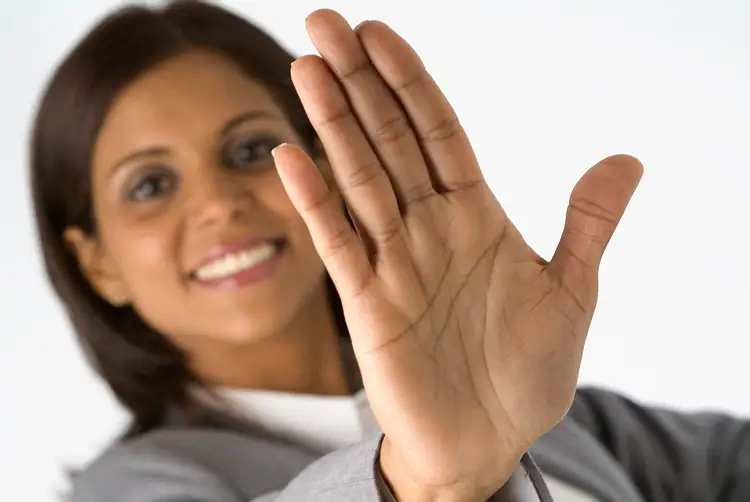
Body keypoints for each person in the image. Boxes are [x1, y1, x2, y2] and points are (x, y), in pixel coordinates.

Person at [29, 1, 749, 501]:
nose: (217, 203)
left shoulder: (552, 411)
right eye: (150, 185)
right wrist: (427, 484)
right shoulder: (133, 488)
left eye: (251, 149)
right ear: (98, 263)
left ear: (329, 166)